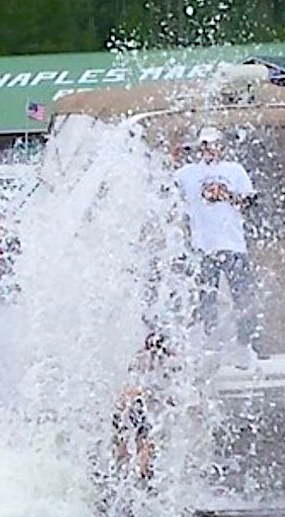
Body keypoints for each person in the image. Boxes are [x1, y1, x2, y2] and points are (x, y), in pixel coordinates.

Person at [174, 127, 259, 361]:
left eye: (214, 145)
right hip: (203, 247)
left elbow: (251, 200)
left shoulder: (234, 170)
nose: (210, 150)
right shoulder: (187, 173)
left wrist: (230, 197)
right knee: (205, 299)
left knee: (244, 296)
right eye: (205, 145)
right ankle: (210, 342)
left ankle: (244, 342)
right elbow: (166, 187)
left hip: (233, 245)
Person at [110, 332, 176, 482]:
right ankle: (135, 482)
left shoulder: (141, 361)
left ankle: (125, 481)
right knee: (139, 451)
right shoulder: (148, 362)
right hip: (135, 409)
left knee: (128, 452)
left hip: (132, 411)